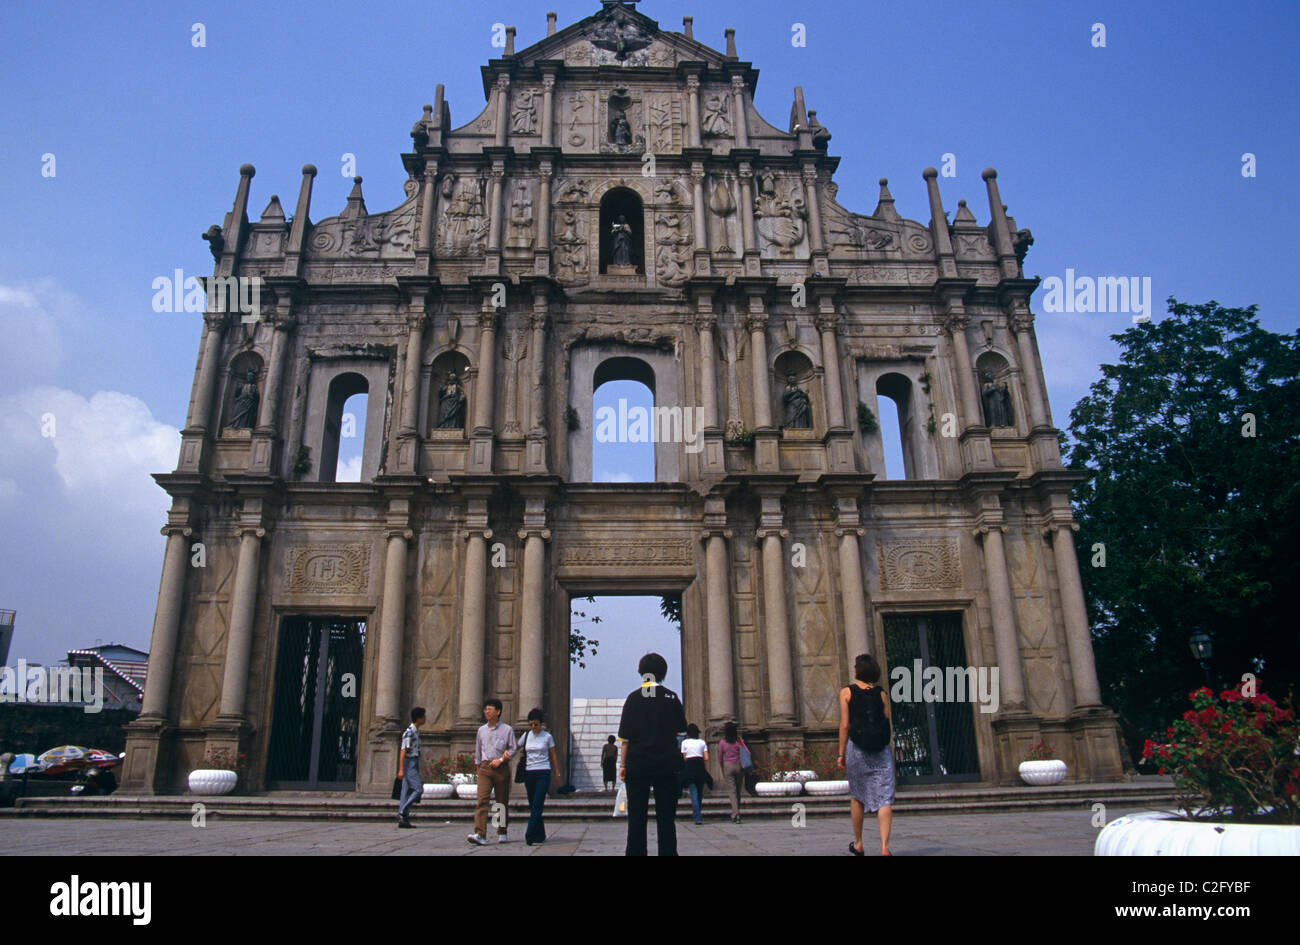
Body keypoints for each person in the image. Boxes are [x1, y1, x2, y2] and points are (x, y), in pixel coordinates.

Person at [618, 653, 687, 856]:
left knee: (636, 818)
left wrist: (622, 766)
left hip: (638, 765)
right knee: (666, 818)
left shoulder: (633, 699)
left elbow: (625, 739)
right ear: (663, 673)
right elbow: (681, 733)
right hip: (666, 765)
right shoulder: (671, 698)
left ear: (641, 672)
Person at [838, 653, 896, 856]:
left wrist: (840, 753)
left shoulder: (846, 692)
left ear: (857, 671)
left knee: (858, 796)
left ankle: (859, 842)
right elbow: (886, 721)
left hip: (857, 749)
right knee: (885, 799)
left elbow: (845, 725)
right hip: (880, 751)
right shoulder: (882, 694)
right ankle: (884, 847)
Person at [468, 698, 517, 846]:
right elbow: (478, 750)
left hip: (501, 767)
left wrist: (502, 759)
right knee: (482, 801)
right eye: (485, 709)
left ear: (498, 711)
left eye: (489, 709)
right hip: (485, 767)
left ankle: (501, 831)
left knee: (500, 803)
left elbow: (513, 749)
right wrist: (478, 767)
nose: (486, 712)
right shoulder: (481, 730)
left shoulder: (507, 729)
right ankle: (480, 833)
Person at [520, 708, 559, 846]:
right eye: (530, 724)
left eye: (535, 724)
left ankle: (529, 833)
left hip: (543, 771)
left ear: (541, 724)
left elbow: (553, 755)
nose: (533, 727)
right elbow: (515, 748)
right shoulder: (525, 736)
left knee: (537, 803)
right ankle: (540, 834)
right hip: (529, 773)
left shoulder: (547, 737)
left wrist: (557, 772)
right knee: (533, 805)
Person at [679, 723, 712, 825]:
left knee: (693, 792)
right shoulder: (702, 742)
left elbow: (684, 758)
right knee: (699, 792)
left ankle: (697, 817)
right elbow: (706, 758)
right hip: (700, 767)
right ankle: (698, 813)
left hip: (690, 767)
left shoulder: (685, 742)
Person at [397, 706, 425, 828]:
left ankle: (403, 819)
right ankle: (403, 812)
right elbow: (403, 751)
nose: (425, 718)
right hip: (409, 764)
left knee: (405, 791)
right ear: (419, 718)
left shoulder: (415, 732)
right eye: (424, 716)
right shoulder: (409, 732)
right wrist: (401, 769)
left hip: (413, 762)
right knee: (418, 789)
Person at [717, 721, 748, 823]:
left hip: (728, 767)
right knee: (738, 791)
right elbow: (748, 752)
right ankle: (736, 812)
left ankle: (736, 813)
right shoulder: (738, 741)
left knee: (732, 792)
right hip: (739, 766)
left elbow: (720, 757)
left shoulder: (722, 743)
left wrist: (722, 768)